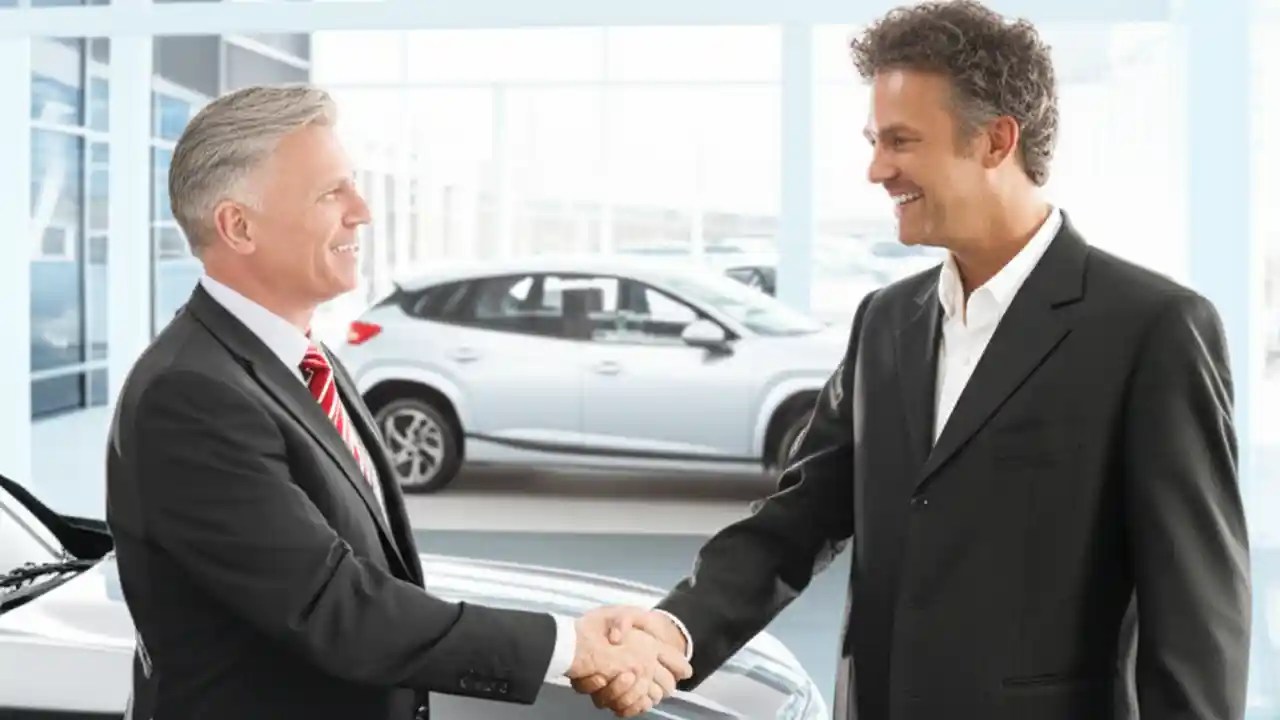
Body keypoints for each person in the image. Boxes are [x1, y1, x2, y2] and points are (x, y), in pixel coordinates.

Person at [576, 2, 1252, 718]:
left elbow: (1198, 621)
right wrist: (672, 632)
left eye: (900, 141)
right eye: (874, 140)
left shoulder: (1151, 329)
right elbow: (798, 519)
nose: (875, 169)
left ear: (996, 141)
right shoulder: (886, 322)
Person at [104, 84, 690, 720]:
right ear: (238, 226)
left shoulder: (306, 361)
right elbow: (335, 607)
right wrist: (569, 649)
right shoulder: (190, 396)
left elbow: (373, 575)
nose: (362, 210)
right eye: (331, 192)